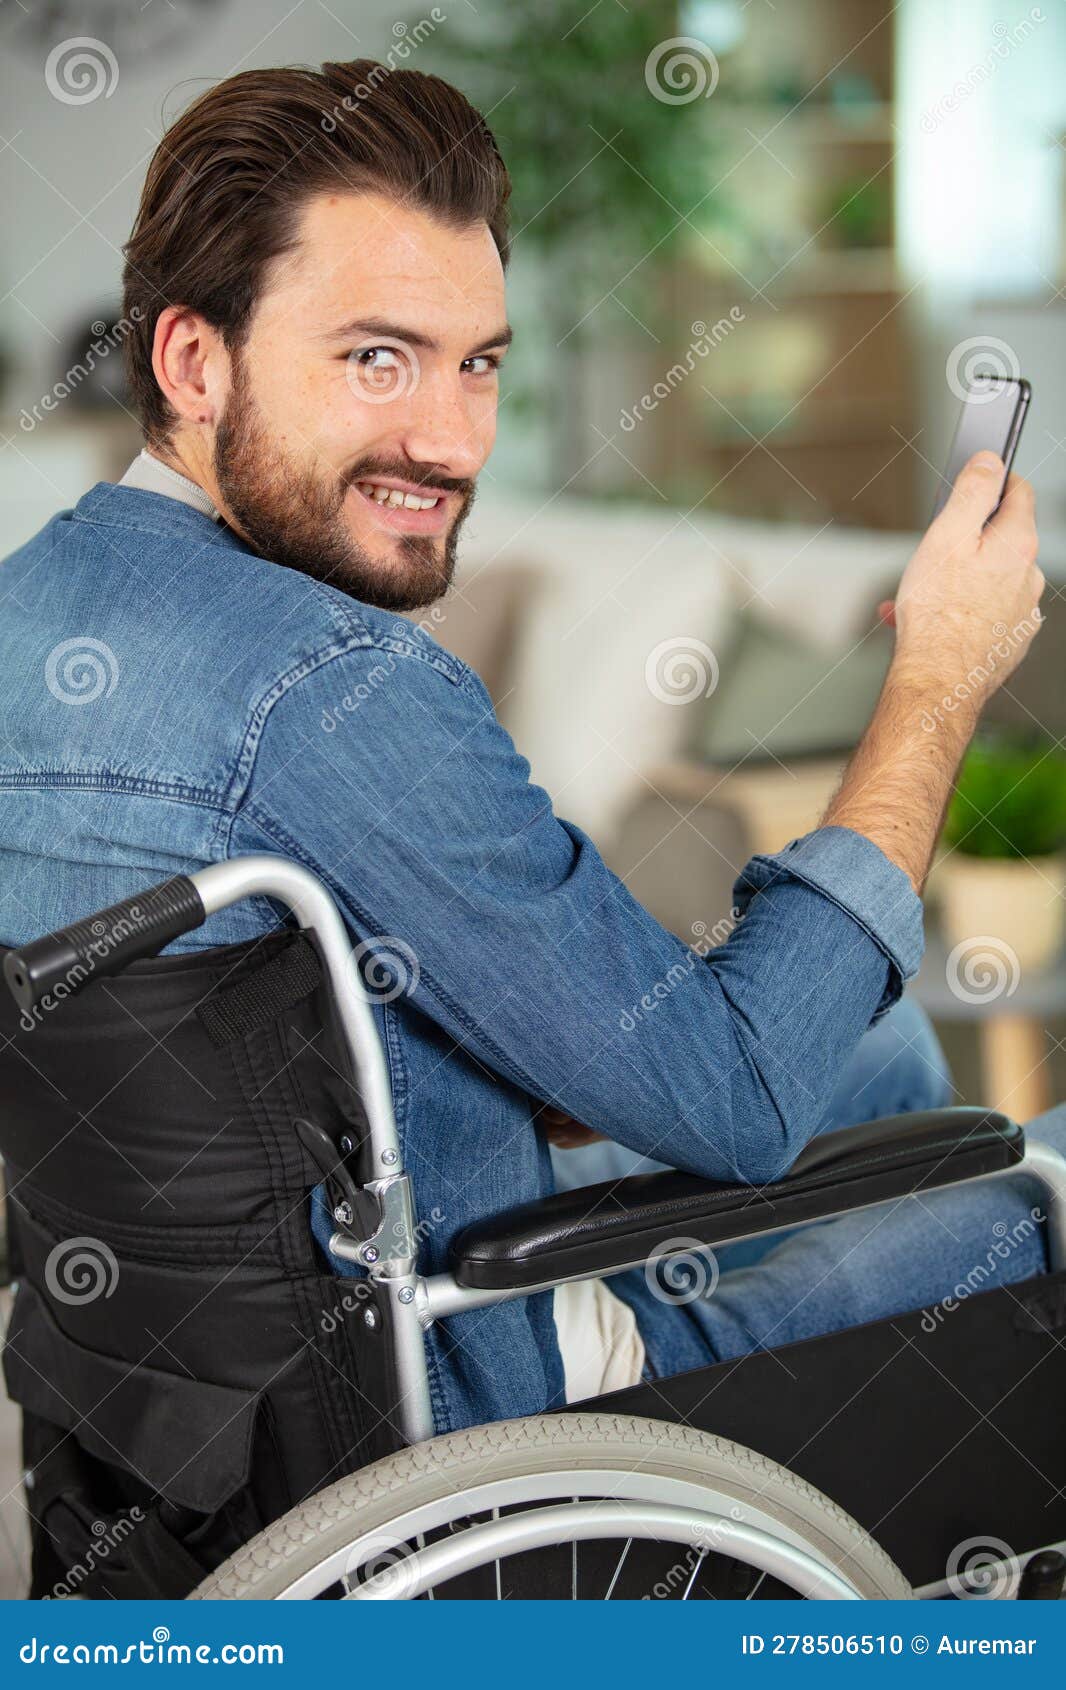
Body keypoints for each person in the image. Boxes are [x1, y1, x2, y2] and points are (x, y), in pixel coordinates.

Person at [0, 60, 1056, 1435]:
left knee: (883, 1052)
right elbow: (734, 1100)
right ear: (194, 361)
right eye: (376, 357)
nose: (448, 441)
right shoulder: (338, 686)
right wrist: (936, 679)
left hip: (194, 1416)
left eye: (477, 362)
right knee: (1024, 1189)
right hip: (481, 1410)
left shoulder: (29, 608)